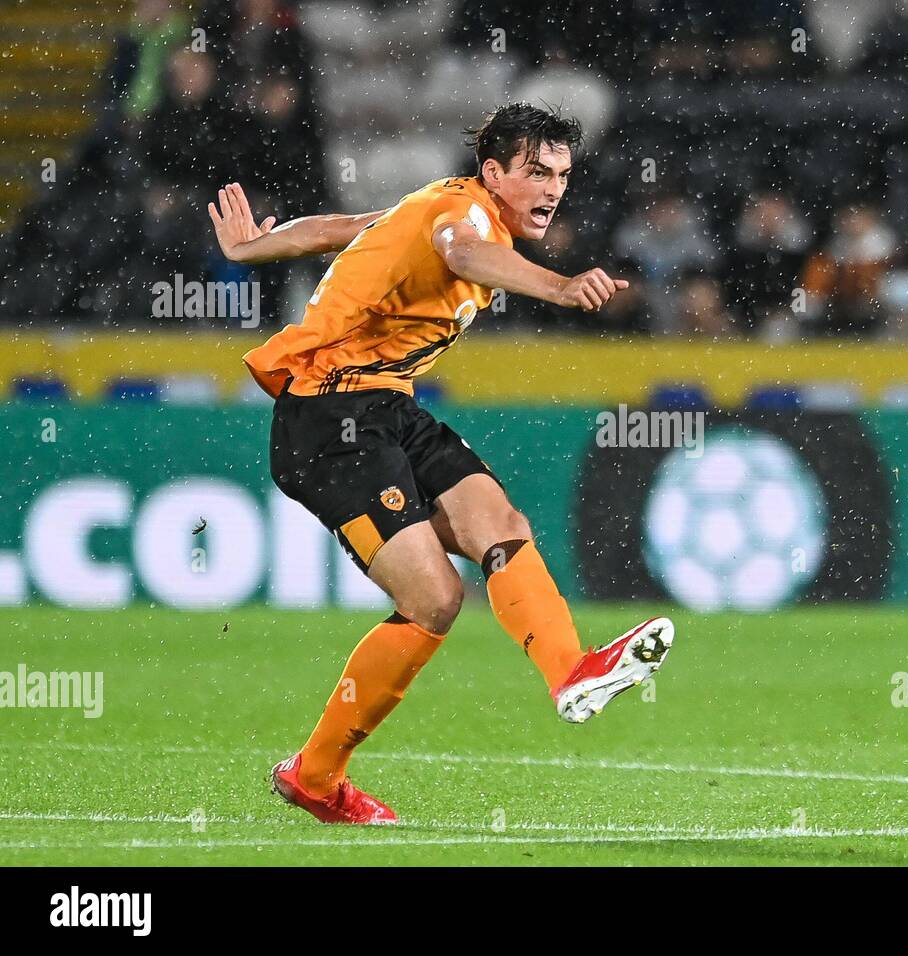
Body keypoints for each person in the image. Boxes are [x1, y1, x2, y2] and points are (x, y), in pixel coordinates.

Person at [207, 103, 675, 825]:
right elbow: (461, 252)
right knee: (435, 601)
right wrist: (557, 286)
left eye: (562, 176)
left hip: (386, 408)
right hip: (327, 419)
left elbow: (342, 228)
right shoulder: (465, 215)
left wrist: (252, 250)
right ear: (493, 173)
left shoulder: (430, 204)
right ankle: (316, 776)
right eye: (536, 173)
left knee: (500, 521)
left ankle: (572, 674)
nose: (552, 190)